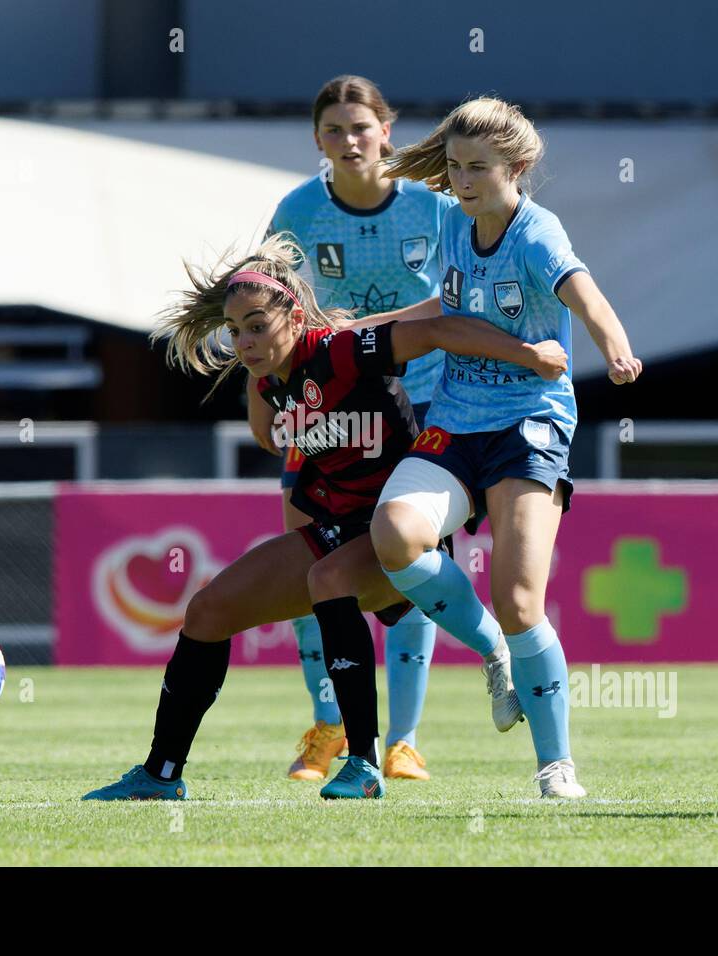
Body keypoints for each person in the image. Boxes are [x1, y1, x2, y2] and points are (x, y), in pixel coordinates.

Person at [82, 233, 568, 801]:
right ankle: (160, 775)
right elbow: (269, 433)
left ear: (293, 314)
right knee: (207, 610)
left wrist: (529, 355)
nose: (244, 340)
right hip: (339, 529)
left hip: (400, 528)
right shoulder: (267, 379)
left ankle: (363, 764)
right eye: (235, 329)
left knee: (328, 580)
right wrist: (261, 394)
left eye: (257, 325)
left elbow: (436, 330)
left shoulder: (342, 350)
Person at [367, 97, 643, 799]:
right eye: (455, 167)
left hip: (530, 422)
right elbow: (442, 311)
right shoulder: (455, 230)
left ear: (516, 167)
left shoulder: (537, 234)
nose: (461, 180)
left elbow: (587, 295)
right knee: (394, 536)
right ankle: (488, 646)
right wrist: (359, 328)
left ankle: (556, 765)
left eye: (477, 168)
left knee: (522, 601)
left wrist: (615, 348)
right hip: (457, 419)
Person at [245, 75, 474, 783]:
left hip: (419, 408)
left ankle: (403, 740)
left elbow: (458, 296)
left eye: (361, 127)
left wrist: (374, 329)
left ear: (387, 131)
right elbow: (268, 301)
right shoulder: (298, 210)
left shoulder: (435, 208)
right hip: (326, 408)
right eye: (335, 130)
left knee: (404, 568)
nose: (350, 140)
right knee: (309, 562)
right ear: (318, 139)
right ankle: (329, 727)